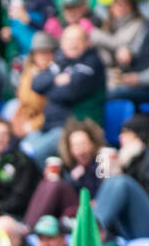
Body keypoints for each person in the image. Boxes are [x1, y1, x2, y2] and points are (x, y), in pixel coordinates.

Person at [23, 25, 105, 165]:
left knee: (33, 154)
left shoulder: (92, 62)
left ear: (87, 43)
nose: (72, 44)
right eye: (68, 40)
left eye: (77, 39)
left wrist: (50, 88)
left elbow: (69, 92)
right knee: (22, 150)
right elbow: (36, 84)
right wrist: (57, 80)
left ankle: (56, 184)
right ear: (62, 43)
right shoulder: (61, 60)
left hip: (76, 127)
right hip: (49, 126)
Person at [0, 116, 40, 219]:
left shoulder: (23, 161)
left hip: (16, 217)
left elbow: (19, 200)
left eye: (3, 134)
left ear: (9, 137)